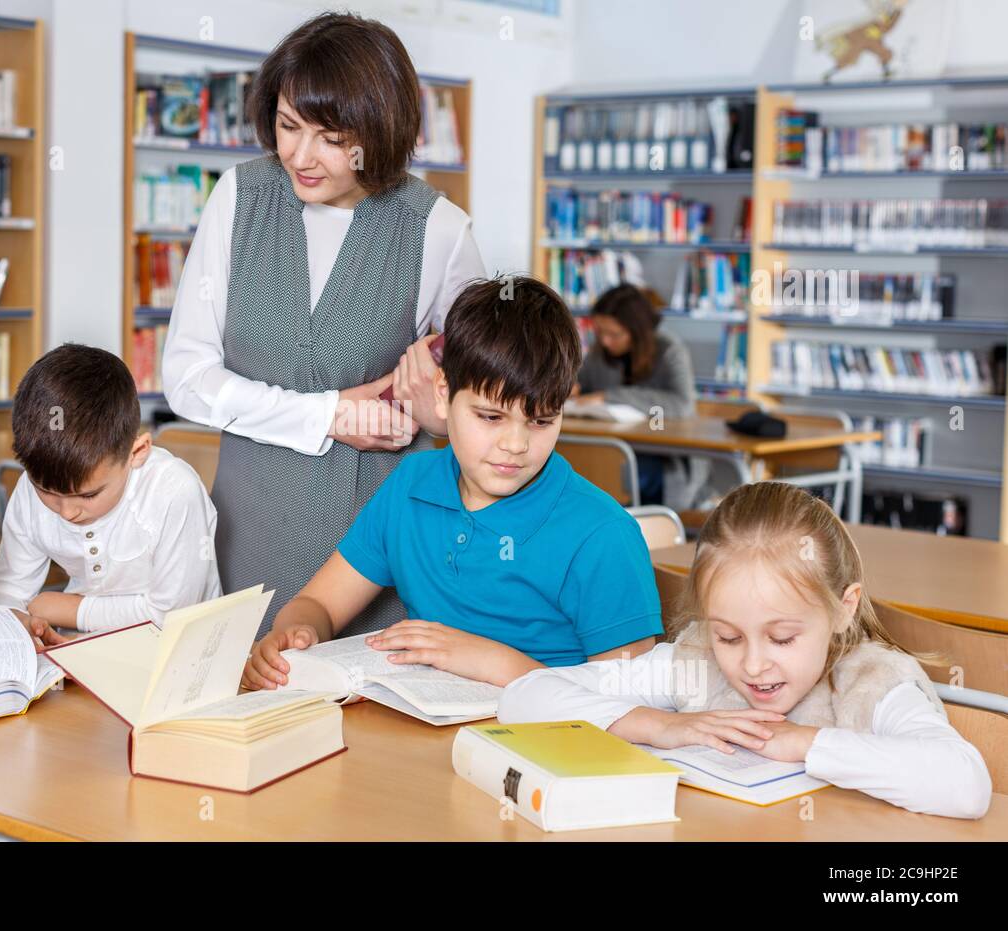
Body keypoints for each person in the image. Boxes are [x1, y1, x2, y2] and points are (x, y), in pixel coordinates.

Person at [162, 11, 485, 636]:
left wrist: (430, 410)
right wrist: (330, 414)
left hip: (376, 551)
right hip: (247, 528)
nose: (300, 156)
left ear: (379, 131)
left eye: (331, 138)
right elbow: (186, 377)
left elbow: (476, 403)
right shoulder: (238, 197)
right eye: (287, 126)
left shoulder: (440, 228)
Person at [242, 276, 662, 692]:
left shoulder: (602, 534)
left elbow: (632, 702)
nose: (515, 445)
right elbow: (319, 604)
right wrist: (296, 632)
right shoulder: (411, 484)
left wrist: (488, 660)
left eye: (540, 421)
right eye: (491, 417)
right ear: (442, 395)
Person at [499, 481, 992, 820]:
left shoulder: (871, 683)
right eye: (729, 636)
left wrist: (803, 744)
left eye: (782, 638)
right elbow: (526, 695)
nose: (753, 665)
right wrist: (662, 725)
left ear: (844, 609)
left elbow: (966, 785)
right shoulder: (697, 664)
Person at [0, 344, 220, 633]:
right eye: (47, 492)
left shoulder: (174, 492)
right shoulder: (29, 489)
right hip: (86, 650)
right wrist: (21, 622)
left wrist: (60, 607)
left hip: (183, 654)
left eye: (88, 495)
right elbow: (7, 591)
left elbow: (172, 616)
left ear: (137, 452)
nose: (68, 512)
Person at [572, 283, 699, 507]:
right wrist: (568, 387)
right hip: (609, 448)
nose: (604, 341)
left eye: (614, 334)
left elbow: (682, 404)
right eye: (599, 332)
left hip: (660, 459)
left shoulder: (669, 350)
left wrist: (609, 396)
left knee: (617, 475)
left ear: (636, 331)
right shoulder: (600, 353)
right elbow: (582, 385)